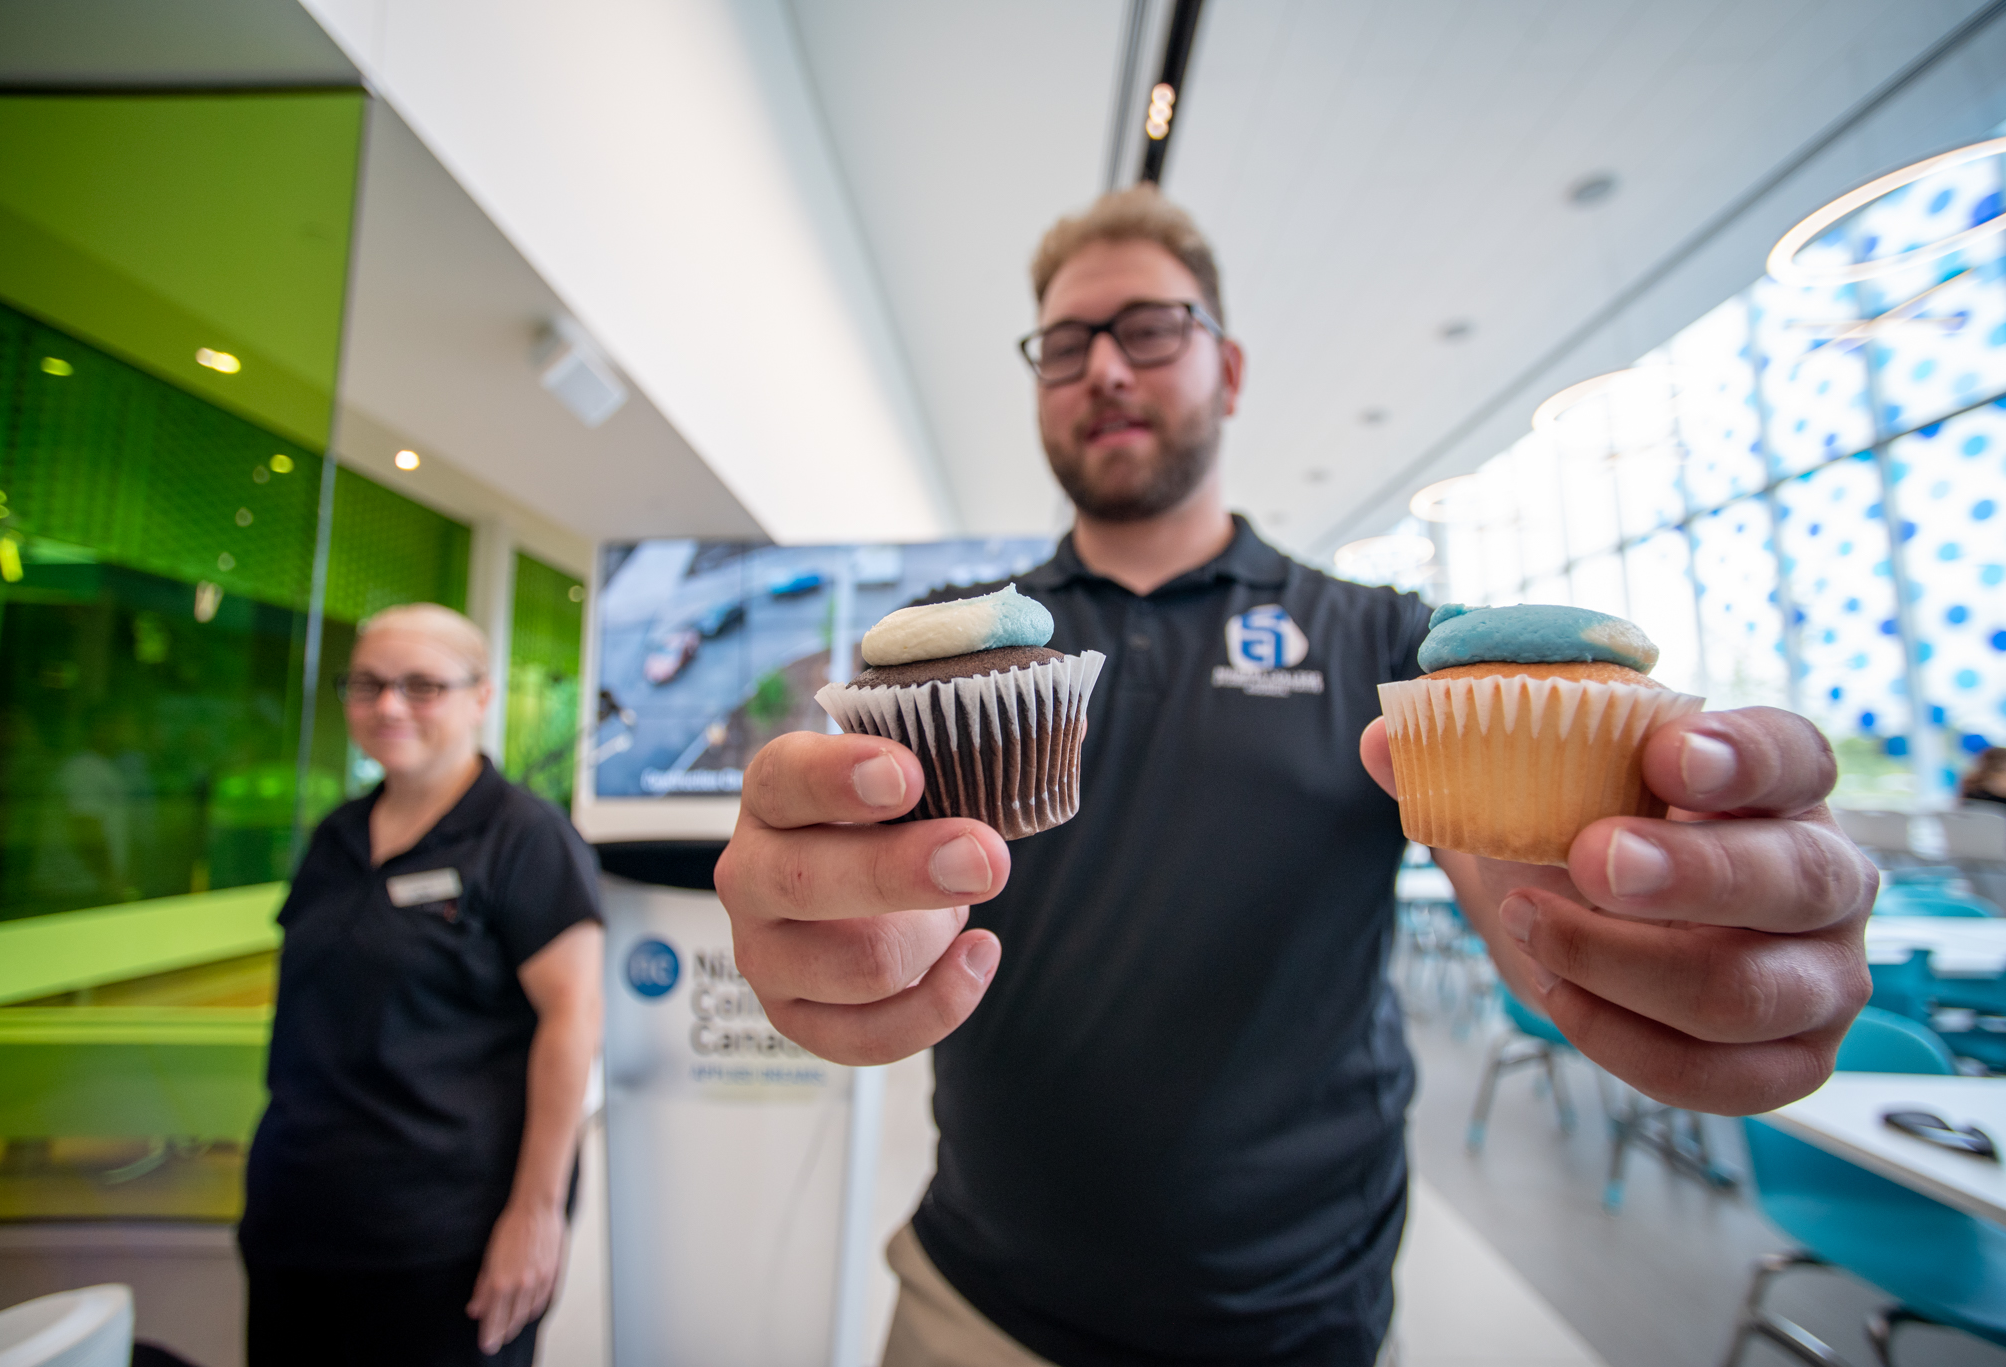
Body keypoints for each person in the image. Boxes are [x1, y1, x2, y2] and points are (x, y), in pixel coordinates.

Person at [714, 187, 1877, 1367]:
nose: (1104, 367)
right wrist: (812, 935)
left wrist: (1668, 918)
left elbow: (1539, 914)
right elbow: (868, 899)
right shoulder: (951, 659)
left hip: (1306, 1312)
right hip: (979, 1305)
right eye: (1064, 346)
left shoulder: (1389, 644)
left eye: (1151, 328)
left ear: (1228, 370)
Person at [240, 604, 604, 1366]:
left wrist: (537, 1212)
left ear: (481, 696)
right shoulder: (337, 834)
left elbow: (572, 1019)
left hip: (444, 1239)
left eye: (420, 685)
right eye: (368, 684)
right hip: (297, 1220)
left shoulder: (523, 837)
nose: (388, 706)